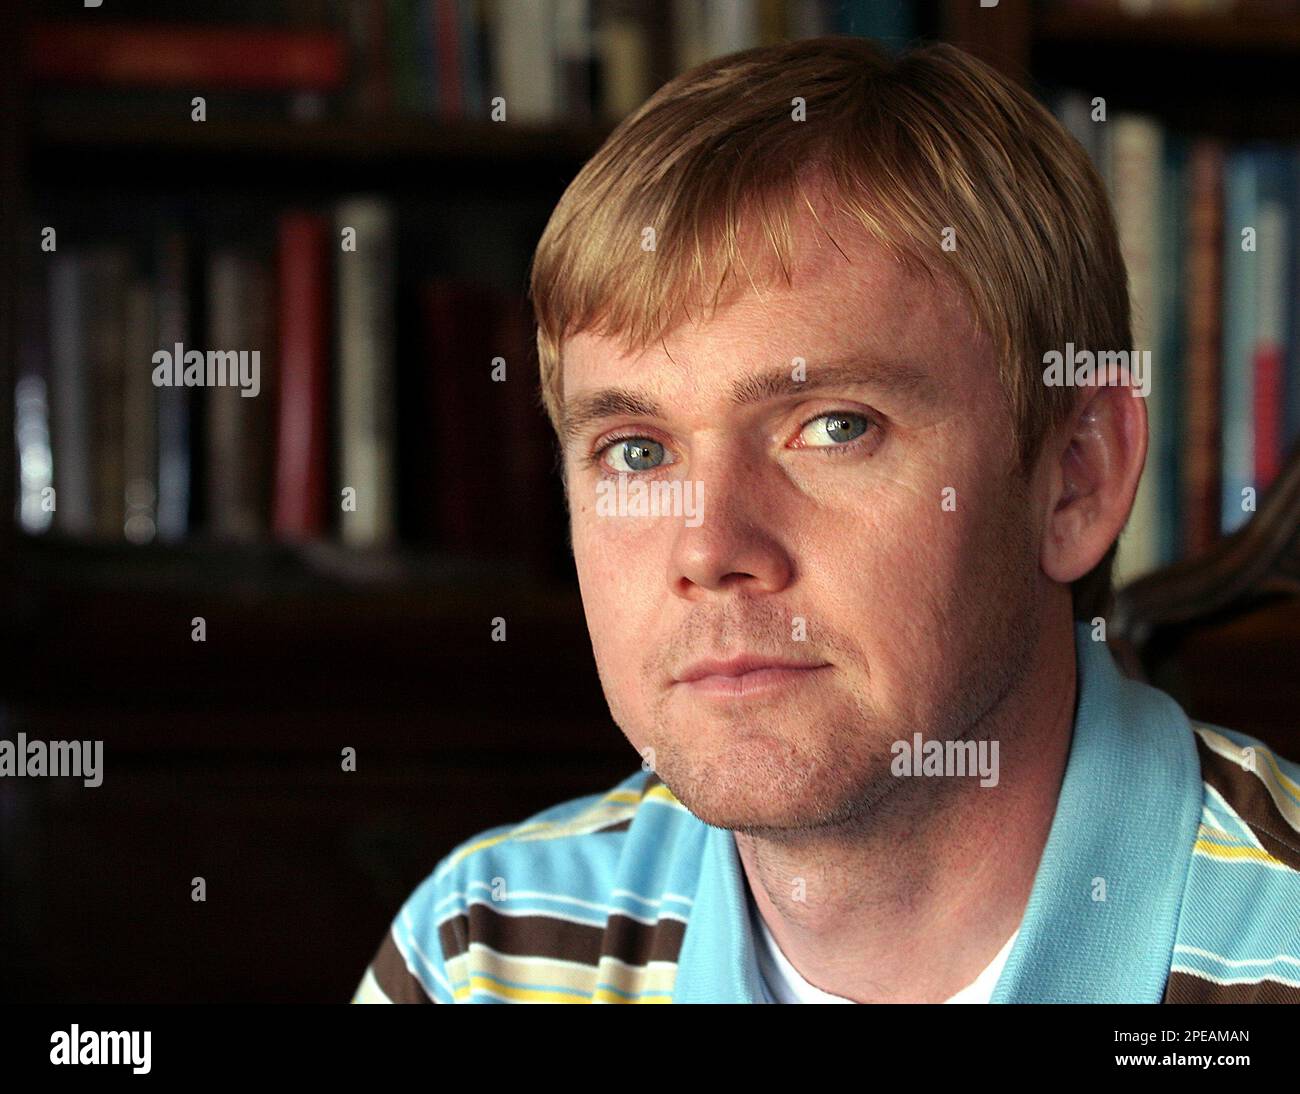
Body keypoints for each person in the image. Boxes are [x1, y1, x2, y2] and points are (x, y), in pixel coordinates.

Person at [352, 35, 1300, 1004]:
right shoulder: (480, 953)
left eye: (834, 427)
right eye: (637, 451)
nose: (710, 548)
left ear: (1075, 477)